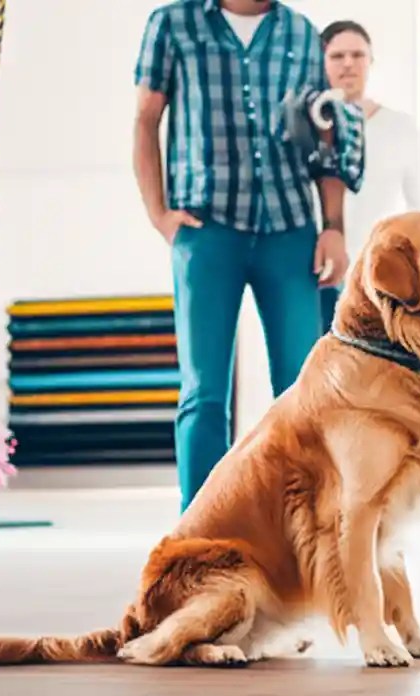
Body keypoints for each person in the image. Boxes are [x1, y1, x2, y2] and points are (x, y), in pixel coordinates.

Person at [133, 0, 363, 511]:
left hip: (289, 232)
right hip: (207, 230)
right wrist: (158, 212)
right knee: (204, 394)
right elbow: (146, 119)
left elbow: (326, 136)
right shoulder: (173, 25)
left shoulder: (303, 34)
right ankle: (202, 530)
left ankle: (305, 523)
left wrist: (333, 228)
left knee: (304, 389)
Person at [318, 19, 420, 331]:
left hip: (379, 276)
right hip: (318, 271)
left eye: (358, 55)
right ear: (321, 62)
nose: (348, 64)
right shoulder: (308, 125)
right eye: (338, 56)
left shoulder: (401, 127)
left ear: (371, 62)